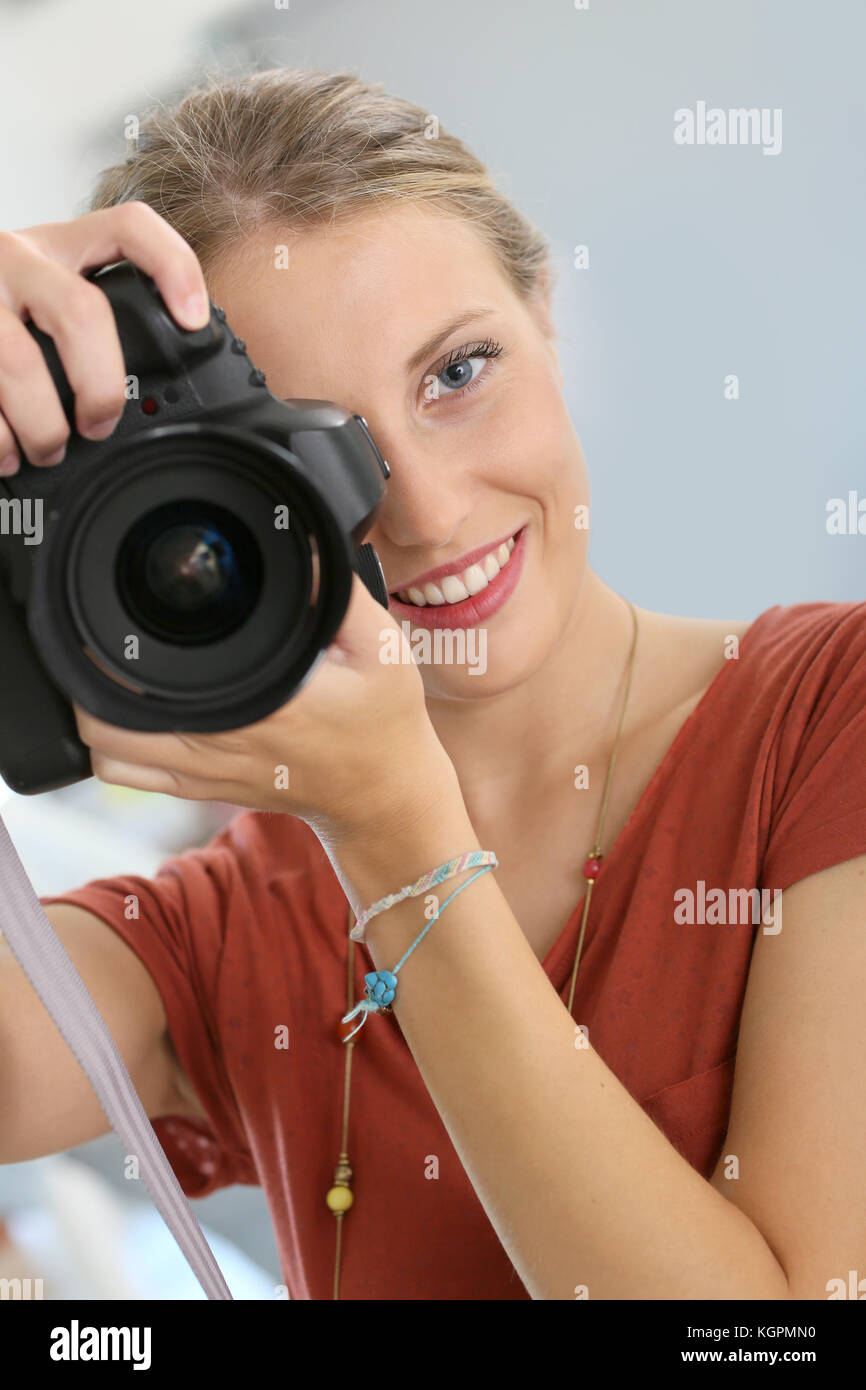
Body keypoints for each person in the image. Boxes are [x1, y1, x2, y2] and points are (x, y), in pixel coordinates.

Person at [1, 67, 864, 1302]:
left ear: (545, 315)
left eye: (457, 372)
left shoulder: (828, 720)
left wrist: (400, 845)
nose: (422, 509)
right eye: (307, 451)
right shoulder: (232, 928)